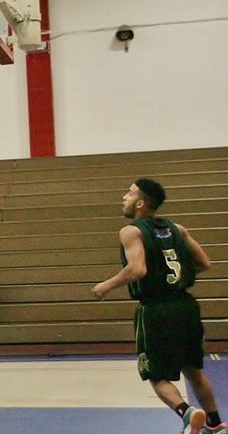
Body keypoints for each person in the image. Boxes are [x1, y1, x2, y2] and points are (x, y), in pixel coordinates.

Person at [92, 179, 225, 434]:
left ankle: (187, 413)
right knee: (194, 371)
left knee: (155, 374)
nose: (124, 197)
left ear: (140, 203)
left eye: (129, 194)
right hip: (186, 305)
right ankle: (215, 422)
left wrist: (106, 285)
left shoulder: (131, 231)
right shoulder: (178, 229)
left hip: (156, 309)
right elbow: (204, 263)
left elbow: (138, 269)